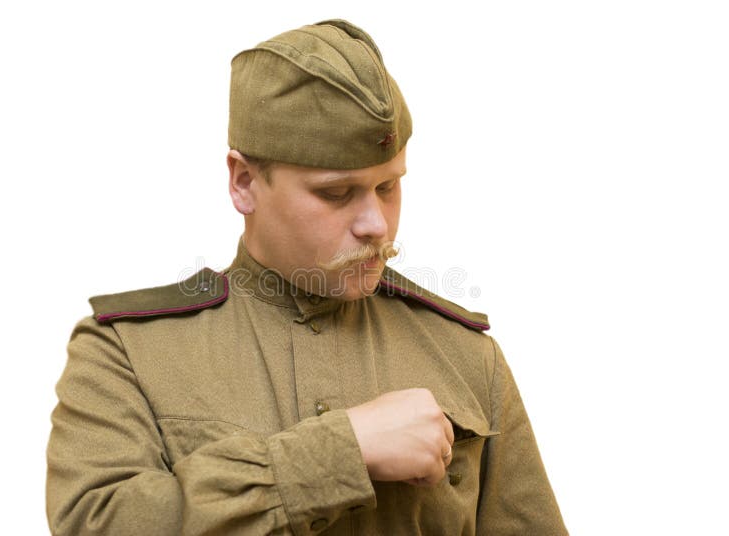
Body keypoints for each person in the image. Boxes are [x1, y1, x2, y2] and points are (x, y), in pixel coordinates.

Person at [46, 19, 567, 535]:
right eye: (337, 193)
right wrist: (344, 451)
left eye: (389, 187)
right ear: (244, 182)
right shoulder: (126, 353)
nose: (376, 225)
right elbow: (97, 523)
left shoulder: (467, 356)